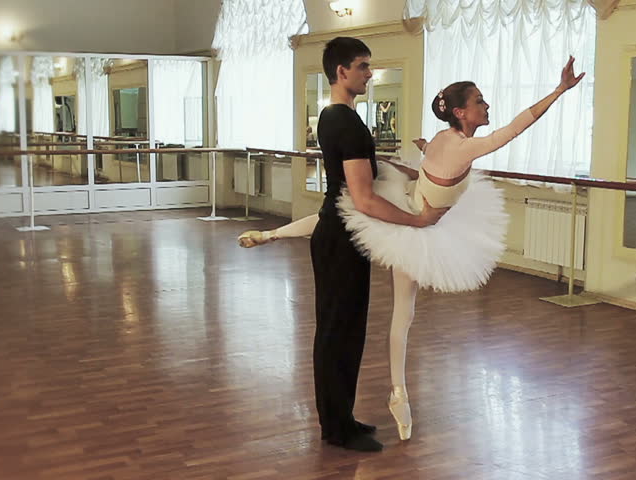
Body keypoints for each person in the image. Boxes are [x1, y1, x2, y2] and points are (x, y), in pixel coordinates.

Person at [239, 56, 585, 442]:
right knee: (401, 313)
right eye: (479, 100)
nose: (486, 106)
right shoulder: (461, 148)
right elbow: (516, 128)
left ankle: (273, 235)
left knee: (346, 216)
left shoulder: (447, 140)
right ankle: (398, 394)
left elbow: (431, 170)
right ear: (460, 111)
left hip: (411, 196)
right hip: (415, 224)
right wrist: (558, 91)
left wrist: (419, 162)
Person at [291, 37, 447, 453]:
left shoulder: (333, 117)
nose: (368, 73)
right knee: (338, 332)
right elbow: (364, 197)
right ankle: (337, 427)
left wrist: (416, 170)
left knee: (343, 331)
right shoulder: (345, 122)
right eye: (362, 66)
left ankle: (341, 418)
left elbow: (369, 171)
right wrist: (417, 220)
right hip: (341, 238)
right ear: (341, 72)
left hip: (341, 236)